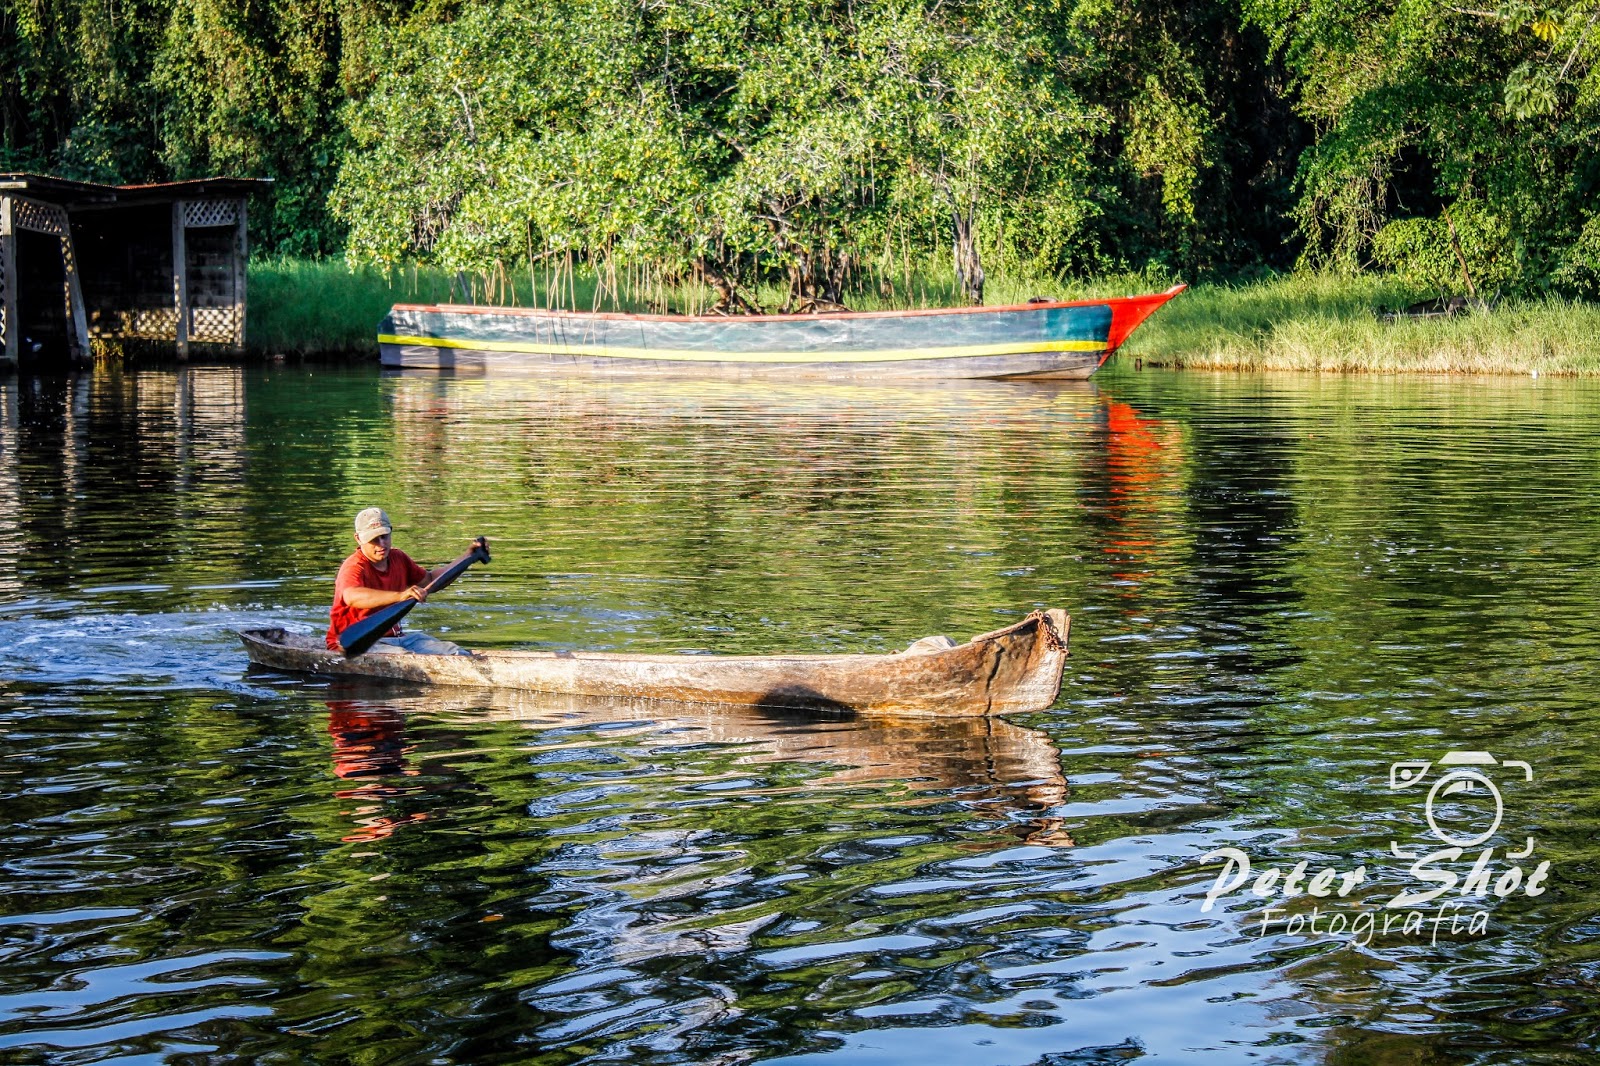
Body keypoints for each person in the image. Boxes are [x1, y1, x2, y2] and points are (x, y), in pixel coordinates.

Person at [325, 507, 478, 655]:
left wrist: (467, 558)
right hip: (355, 643)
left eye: (384, 536)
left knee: (456, 652)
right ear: (358, 539)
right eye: (374, 539)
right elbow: (352, 596)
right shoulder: (353, 566)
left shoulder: (398, 558)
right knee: (407, 658)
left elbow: (430, 580)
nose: (382, 544)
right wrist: (401, 595)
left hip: (398, 639)